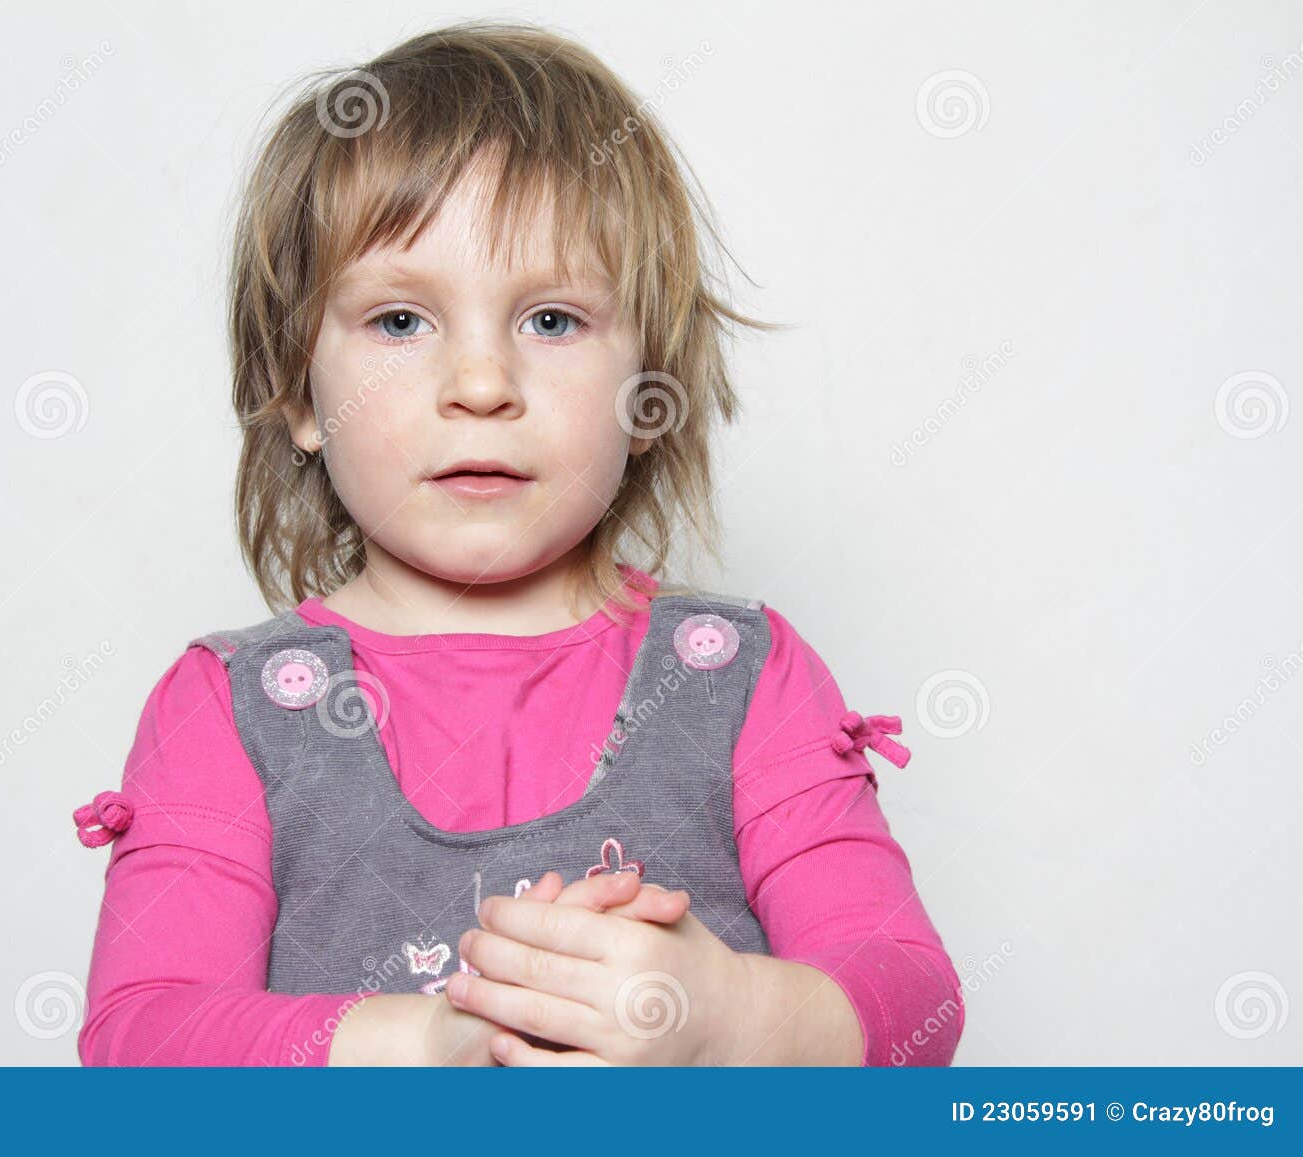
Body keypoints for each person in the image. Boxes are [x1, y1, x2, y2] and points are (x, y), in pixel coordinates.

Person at [71, 18, 963, 1067]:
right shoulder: (231, 709)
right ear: (297, 389)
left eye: (551, 320)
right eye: (400, 321)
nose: (483, 384)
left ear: (648, 386)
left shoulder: (743, 680)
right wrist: (433, 1037)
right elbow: (140, 1041)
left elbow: (917, 1006)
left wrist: (725, 1015)